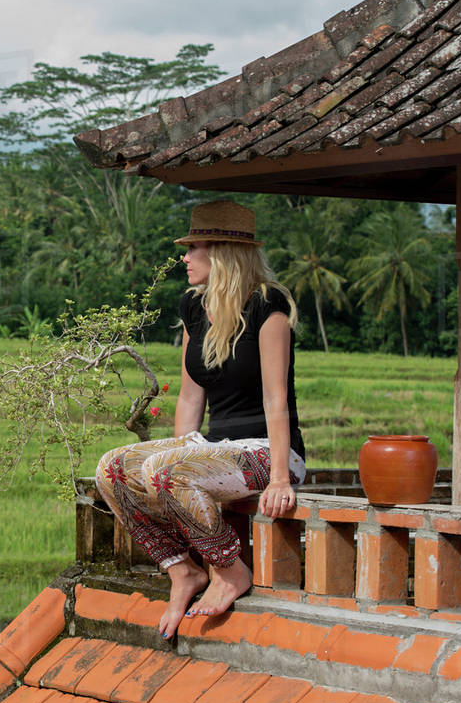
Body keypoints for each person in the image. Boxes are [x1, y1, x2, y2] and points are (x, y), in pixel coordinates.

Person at [94, 200, 305, 640]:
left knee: (163, 472)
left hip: (266, 451)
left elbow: (276, 397)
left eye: (195, 248)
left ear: (224, 253)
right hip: (214, 449)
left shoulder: (269, 305)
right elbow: (191, 397)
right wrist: (173, 459)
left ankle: (229, 571)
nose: (185, 258)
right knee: (112, 468)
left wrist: (282, 478)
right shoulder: (194, 305)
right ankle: (183, 572)